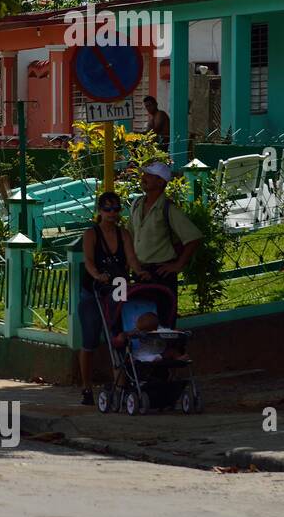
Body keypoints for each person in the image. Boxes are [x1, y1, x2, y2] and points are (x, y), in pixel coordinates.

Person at [75, 191, 143, 406]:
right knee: (90, 339)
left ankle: (122, 386)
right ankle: (86, 387)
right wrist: (98, 275)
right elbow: (88, 260)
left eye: (115, 209)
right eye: (107, 209)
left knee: (118, 335)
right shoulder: (91, 234)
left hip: (118, 287)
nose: (112, 214)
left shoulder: (123, 234)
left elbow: (131, 258)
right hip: (94, 289)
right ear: (100, 211)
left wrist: (140, 272)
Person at [129, 162, 202, 327]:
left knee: (164, 321)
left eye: (149, 175)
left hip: (161, 272)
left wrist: (177, 265)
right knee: (140, 320)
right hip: (140, 271)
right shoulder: (136, 204)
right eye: (144, 174)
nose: (144, 178)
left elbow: (193, 237)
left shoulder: (168, 209)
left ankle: (168, 351)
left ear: (161, 182)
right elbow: (130, 235)